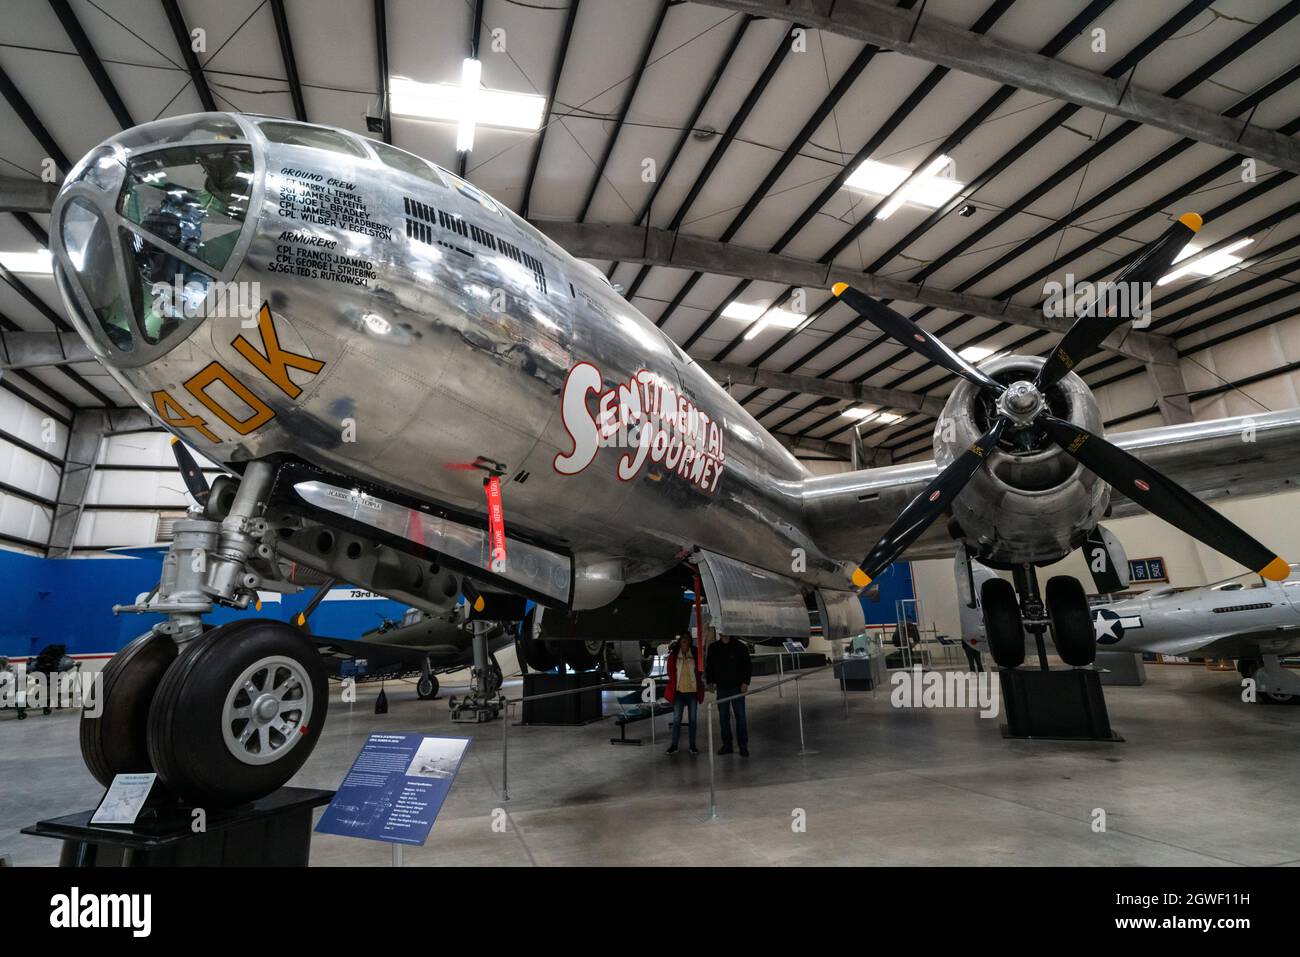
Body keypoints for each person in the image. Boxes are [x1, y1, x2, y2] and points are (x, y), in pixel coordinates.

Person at [706, 633, 752, 756]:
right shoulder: (713, 647)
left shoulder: (740, 647)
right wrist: (710, 682)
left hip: (737, 688)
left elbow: (747, 665)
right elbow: (709, 665)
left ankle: (743, 746)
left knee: (740, 717)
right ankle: (727, 745)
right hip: (722, 688)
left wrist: (745, 682)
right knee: (723, 718)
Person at [664, 632, 703, 755]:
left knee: (692, 719)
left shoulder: (695, 654)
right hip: (679, 692)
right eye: (683, 641)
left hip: (692, 692)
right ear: (680, 642)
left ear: (690, 642)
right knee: (676, 719)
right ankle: (674, 745)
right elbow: (670, 671)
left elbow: (699, 671)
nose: (685, 643)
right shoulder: (675, 655)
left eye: (687, 640)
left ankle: (692, 745)